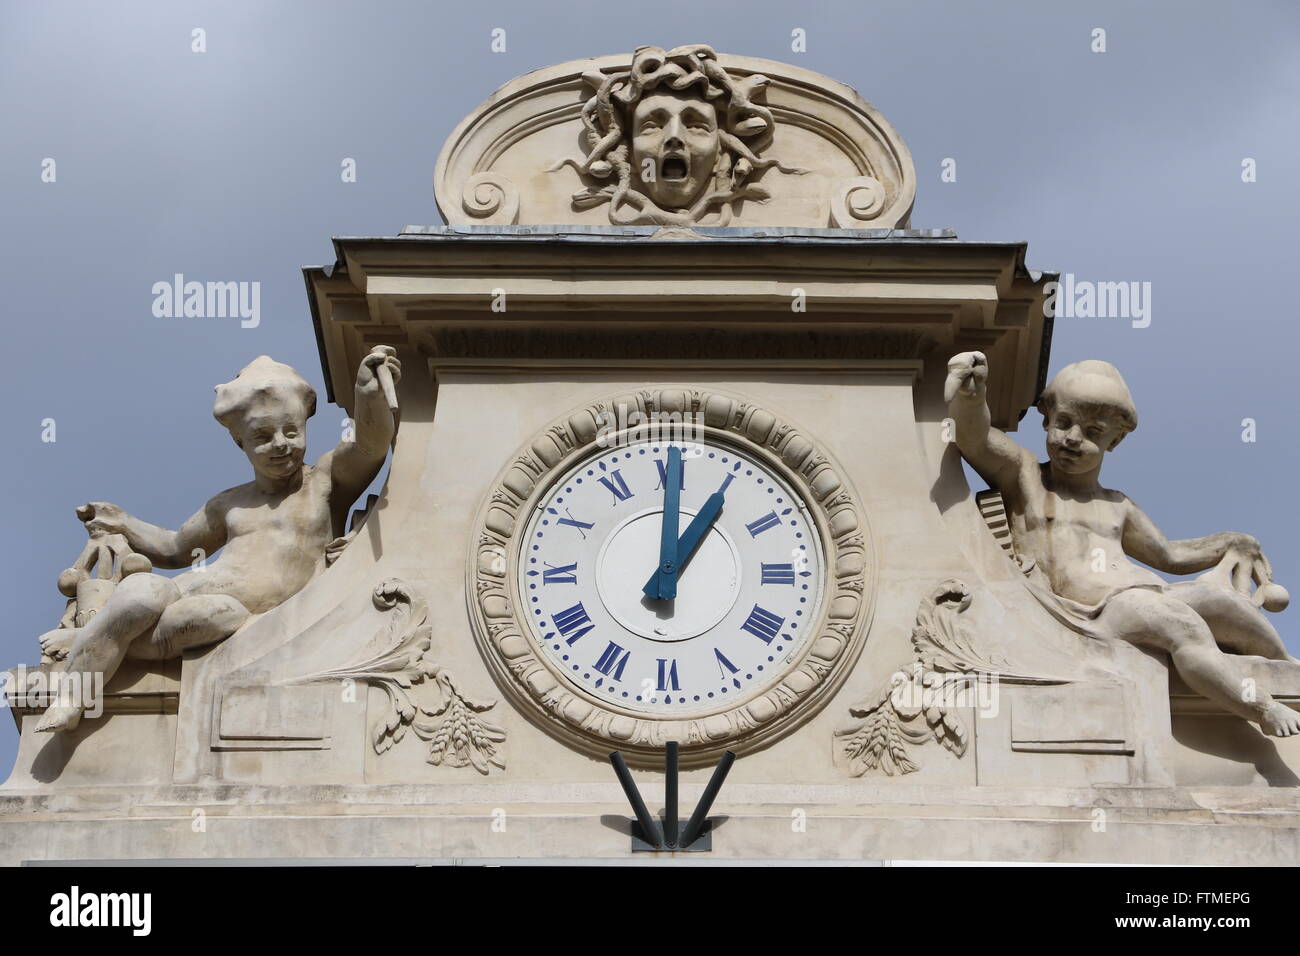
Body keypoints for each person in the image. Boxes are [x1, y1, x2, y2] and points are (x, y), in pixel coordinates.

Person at [35, 346, 401, 732]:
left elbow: (368, 446)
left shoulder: (323, 482)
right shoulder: (230, 503)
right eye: (263, 436)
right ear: (240, 442)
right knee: (142, 592)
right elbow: (174, 547)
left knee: (210, 615)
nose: (280, 444)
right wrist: (122, 521)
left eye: (291, 431)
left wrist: (368, 395)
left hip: (232, 612)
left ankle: (94, 638)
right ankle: (72, 697)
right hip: (191, 585)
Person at [945, 351, 1299, 737]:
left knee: (1224, 603)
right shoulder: (1026, 476)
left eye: (1093, 431)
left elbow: (1171, 556)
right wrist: (970, 395)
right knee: (1182, 625)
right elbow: (975, 439)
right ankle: (1262, 708)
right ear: (1046, 419)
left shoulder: (1118, 505)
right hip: (1093, 611)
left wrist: (1232, 541)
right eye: (1063, 423)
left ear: (1115, 440)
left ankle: (1286, 668)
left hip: (1145, 591)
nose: (1073, 439)